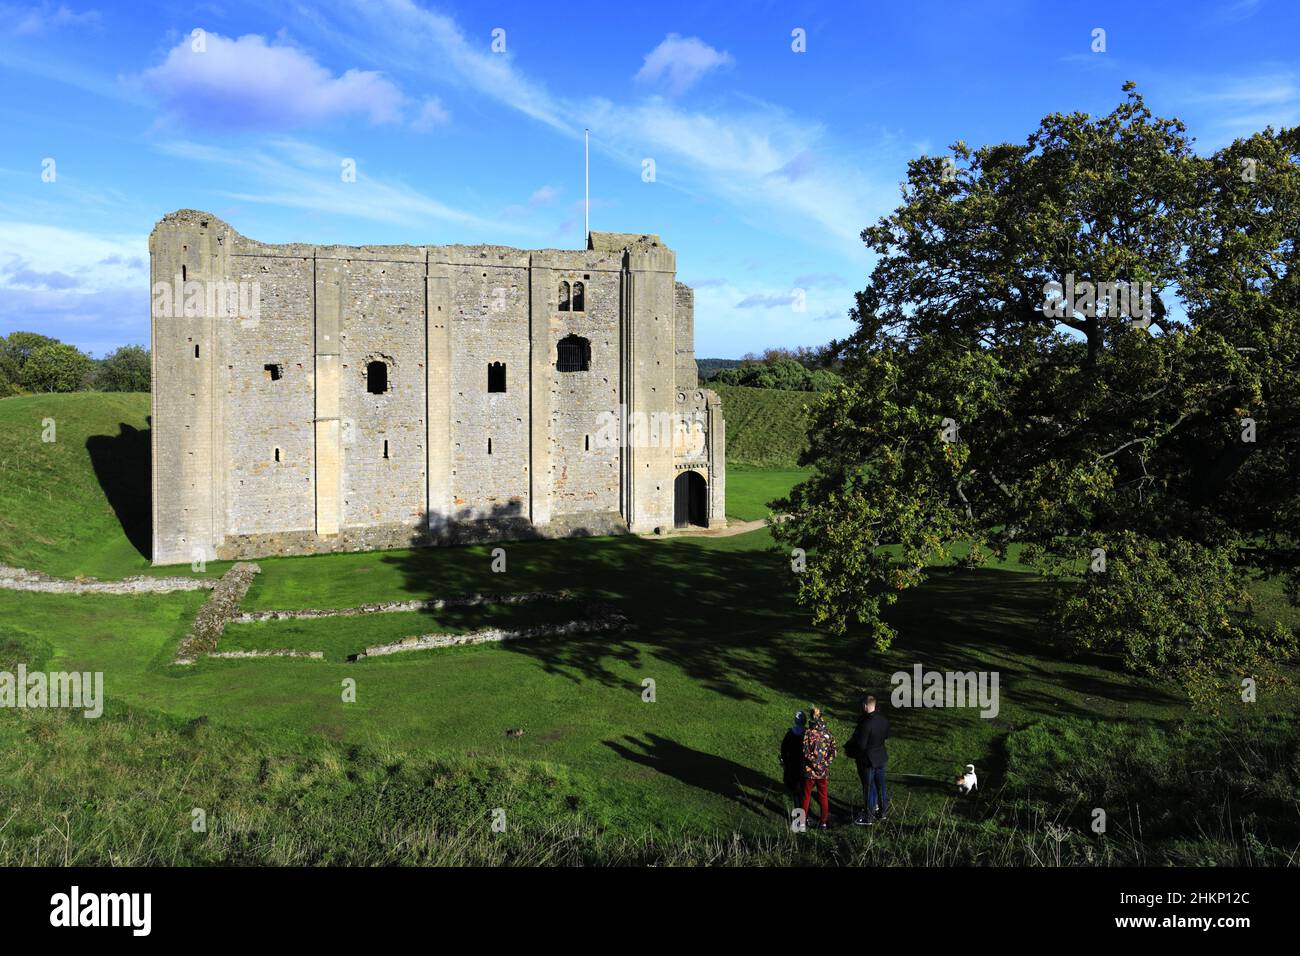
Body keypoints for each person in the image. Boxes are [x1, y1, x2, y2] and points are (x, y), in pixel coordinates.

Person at [846, 695, 889, 825]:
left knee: (868, 787)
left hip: (868, 760)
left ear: (865, 706)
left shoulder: (866, 724)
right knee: (881, 786)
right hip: (881, 756)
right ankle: (882, 813)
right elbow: (886, 735)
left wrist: (851, 751)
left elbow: (861, 745)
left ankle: (868, 816)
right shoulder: (884, 720)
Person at [800, 706, 836, 829]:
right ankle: (823, 822)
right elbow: (833, 752)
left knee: (806, 796)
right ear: (821, 716)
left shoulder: (808, 733)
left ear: (811, 717)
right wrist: (823, 765)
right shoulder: (828, 734)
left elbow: (805, 752)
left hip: (809, 771)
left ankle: (803, 822)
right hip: (823, 772)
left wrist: (814, 765)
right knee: (823, 796)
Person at [779, 710, 806, 803]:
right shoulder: (808, 735)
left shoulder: (790, 734)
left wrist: (785, 761)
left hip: (792, 765)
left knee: (795, 790)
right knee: (802, 790)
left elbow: (783, 749)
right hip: (803, 766)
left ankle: (799, 814)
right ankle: (802, 812)